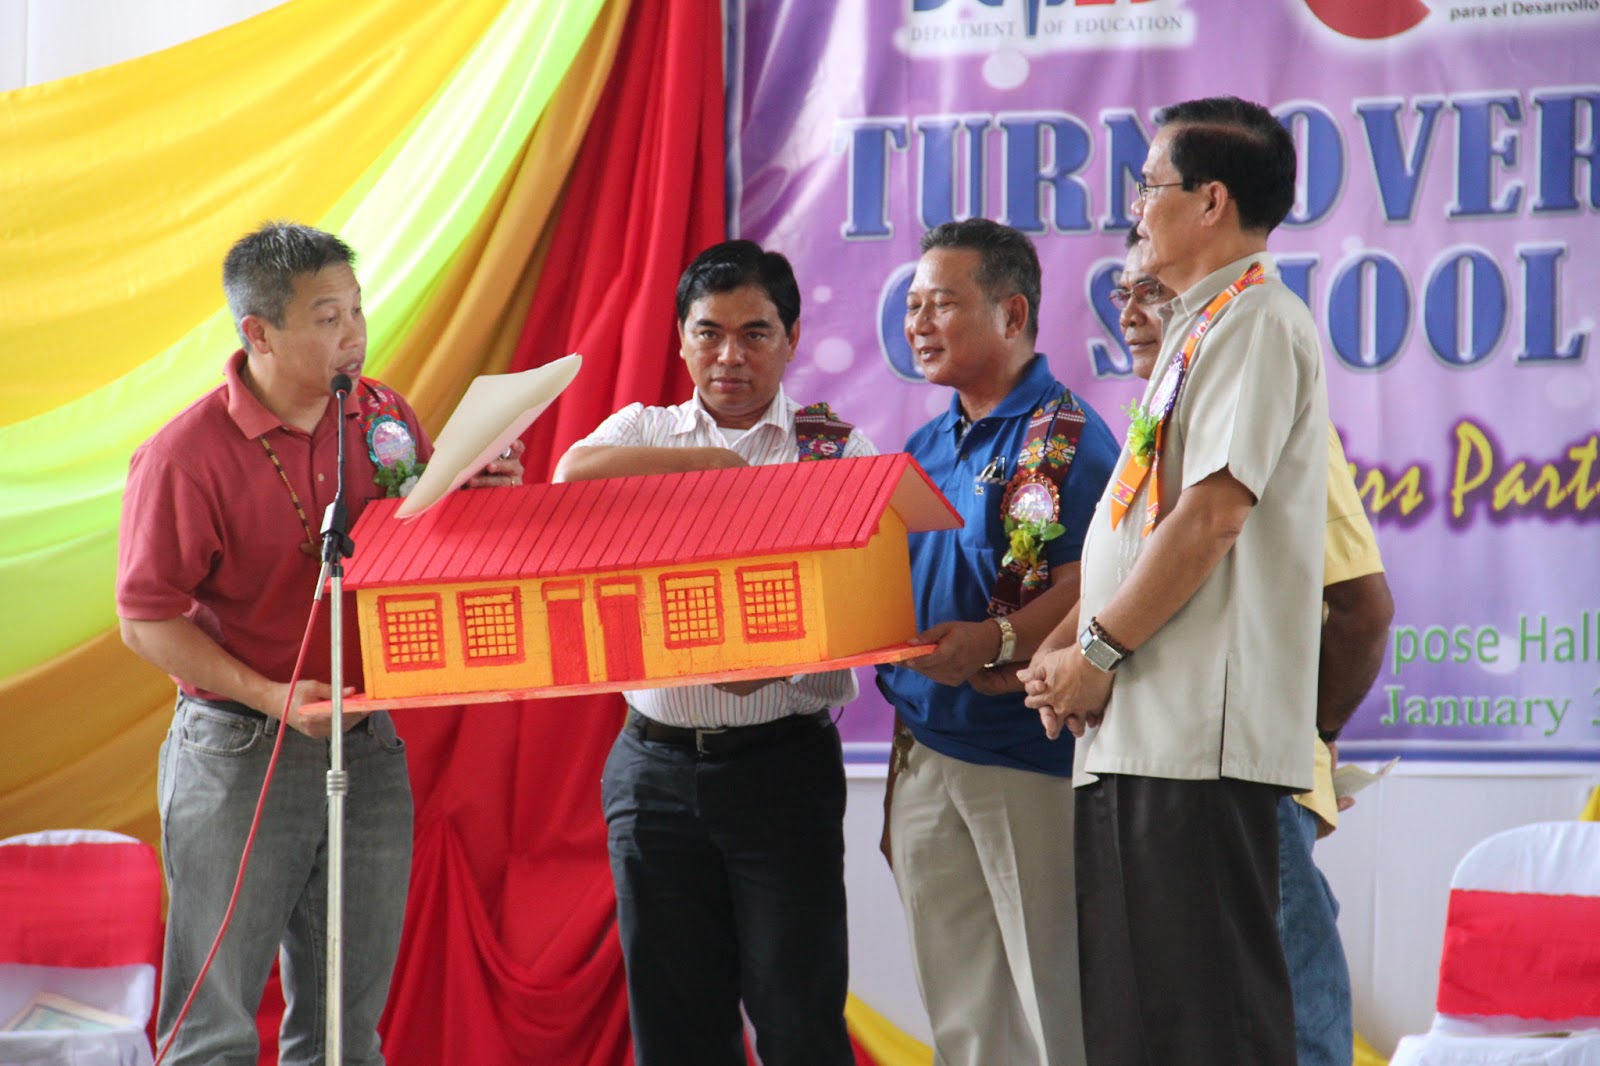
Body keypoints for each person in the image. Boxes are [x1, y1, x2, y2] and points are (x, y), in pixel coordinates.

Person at [116, 221, 522, 1065]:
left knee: (345, 1029)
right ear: (256, 333)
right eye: (327, 317)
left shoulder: (382, 416)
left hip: (364, 737)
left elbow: (416, 544)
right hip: (239, 748)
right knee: (214, 1023)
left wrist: (470, 490)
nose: (354, 336)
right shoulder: (186, 456)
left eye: (357, 311)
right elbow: (144, 618)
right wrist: (268, 695)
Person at [1020, 95, 1330, 1065]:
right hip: (1135, 738)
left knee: (1209, 1026)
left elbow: (1211, 516)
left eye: (1149, 186)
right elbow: (1144, 520)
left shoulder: (1257, 322)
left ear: (1209, 202)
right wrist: (1066, 641)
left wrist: (1101, 649)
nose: (1135, 206)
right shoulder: (1190, 332)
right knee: (1137, 1024)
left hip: (1197, 744)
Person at [552, 239, 872, 1066]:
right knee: (674, 1023)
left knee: (798, 1017)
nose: (730, 355)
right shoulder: (645, 430)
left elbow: (865, 602)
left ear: (793, 339)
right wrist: (706, 463)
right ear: (681, 339)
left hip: (782, 766)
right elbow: (572, 473)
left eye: (755, 333)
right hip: (652, 772)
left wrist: (781, 663)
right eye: (710, 333)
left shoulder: (833, 449)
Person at [1112, 231, 1394, 1066]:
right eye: (1122, 293)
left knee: (1287, 1022)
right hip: (1169, 769)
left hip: (1249, 770)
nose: (1131, 312)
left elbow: (1362, 610)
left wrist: (1305, 741)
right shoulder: (1156, 431)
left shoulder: (1267, 417)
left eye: (1155, 295)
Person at [873, 218, 1118, 1066]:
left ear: (1013, 314)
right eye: (911, 305)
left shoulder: (1072, 440)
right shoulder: (924, 444)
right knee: (963, 1011)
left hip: (1028, 760)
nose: (918, 323)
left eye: (942, 303)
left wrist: (998, 637)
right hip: (926, 750)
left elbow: (1105, 575)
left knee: (1060, 1004)